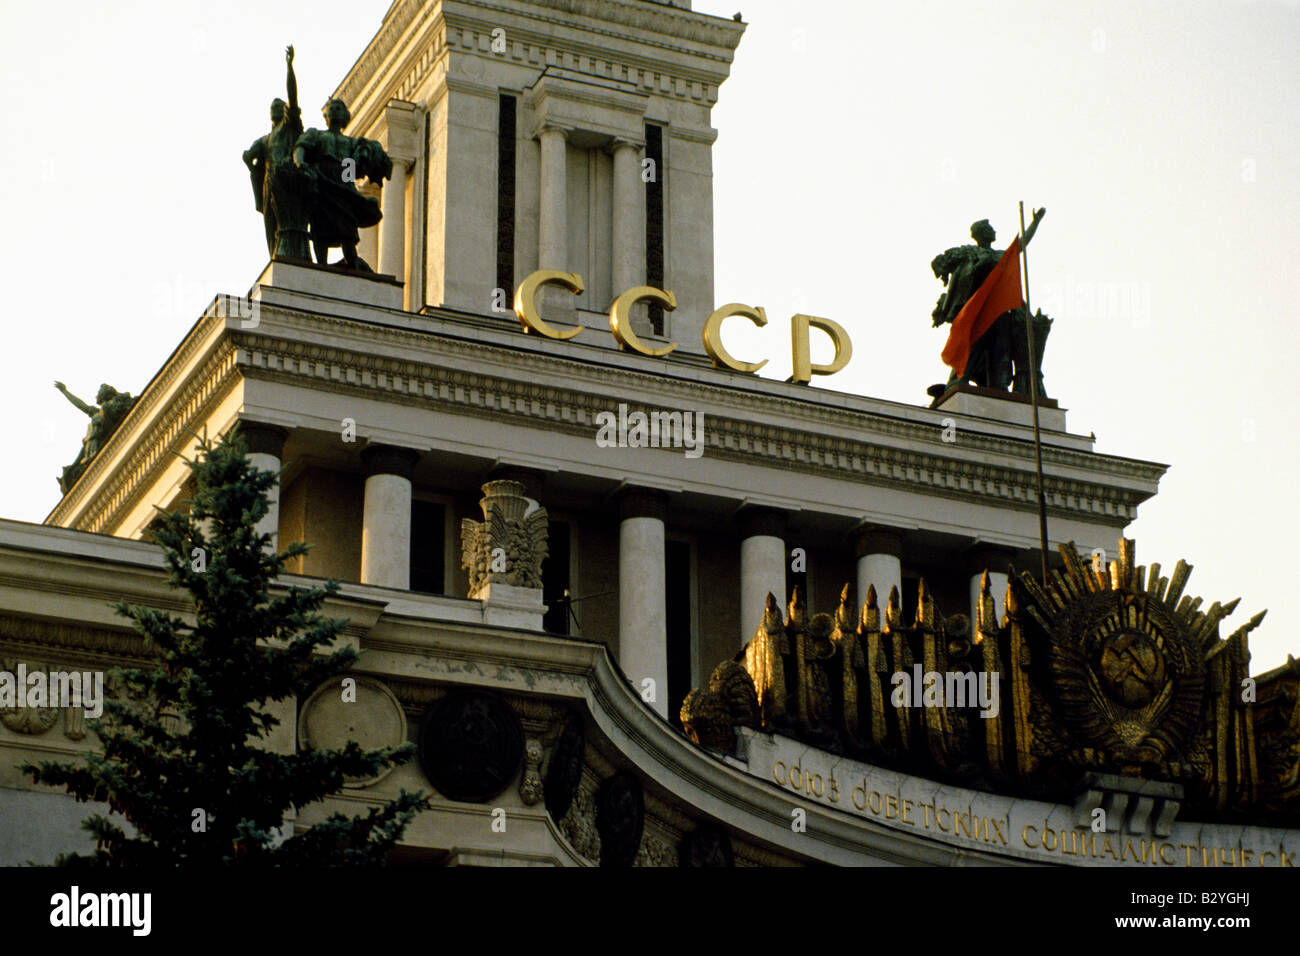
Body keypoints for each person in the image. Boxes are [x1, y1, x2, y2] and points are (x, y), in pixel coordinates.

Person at [931, 209, 1045, 390]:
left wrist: (1035, 223)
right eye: (990, 229)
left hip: (999, 310)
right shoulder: (971, 253)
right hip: (977, 308)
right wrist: (977, 266)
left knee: (1001, 349)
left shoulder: (1000, 255)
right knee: (973, 344)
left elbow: (1020, 245)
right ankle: (958, 379)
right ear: (981, 233)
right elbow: (958, 275)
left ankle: (998, 384)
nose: (994, 232)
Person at [292, 98, 392, 270]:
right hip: (322, 181)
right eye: (332, 108)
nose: (334, 111)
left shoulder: (351, 143)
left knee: (347, 228)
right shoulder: (317, 134)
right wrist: (300, 162)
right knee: (320, 227)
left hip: (342, 185)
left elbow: (350, 171)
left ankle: (352, 263)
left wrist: (350, 187)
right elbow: (300, 148)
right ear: (326, 115)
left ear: (345, 115)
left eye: (338, 108)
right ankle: (321, 265)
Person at [242, 46, 308, 259]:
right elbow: (248, 155)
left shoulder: (289, 127)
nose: (274, 107)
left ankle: (289, 260)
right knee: (271, 229)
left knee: (287, 225)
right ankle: (275, 260)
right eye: (272, 106)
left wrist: (290, 68)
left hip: (286, 181)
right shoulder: (264, 139)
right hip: (268, 185)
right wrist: (250, 164)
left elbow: (293, 96)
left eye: (278, 105)